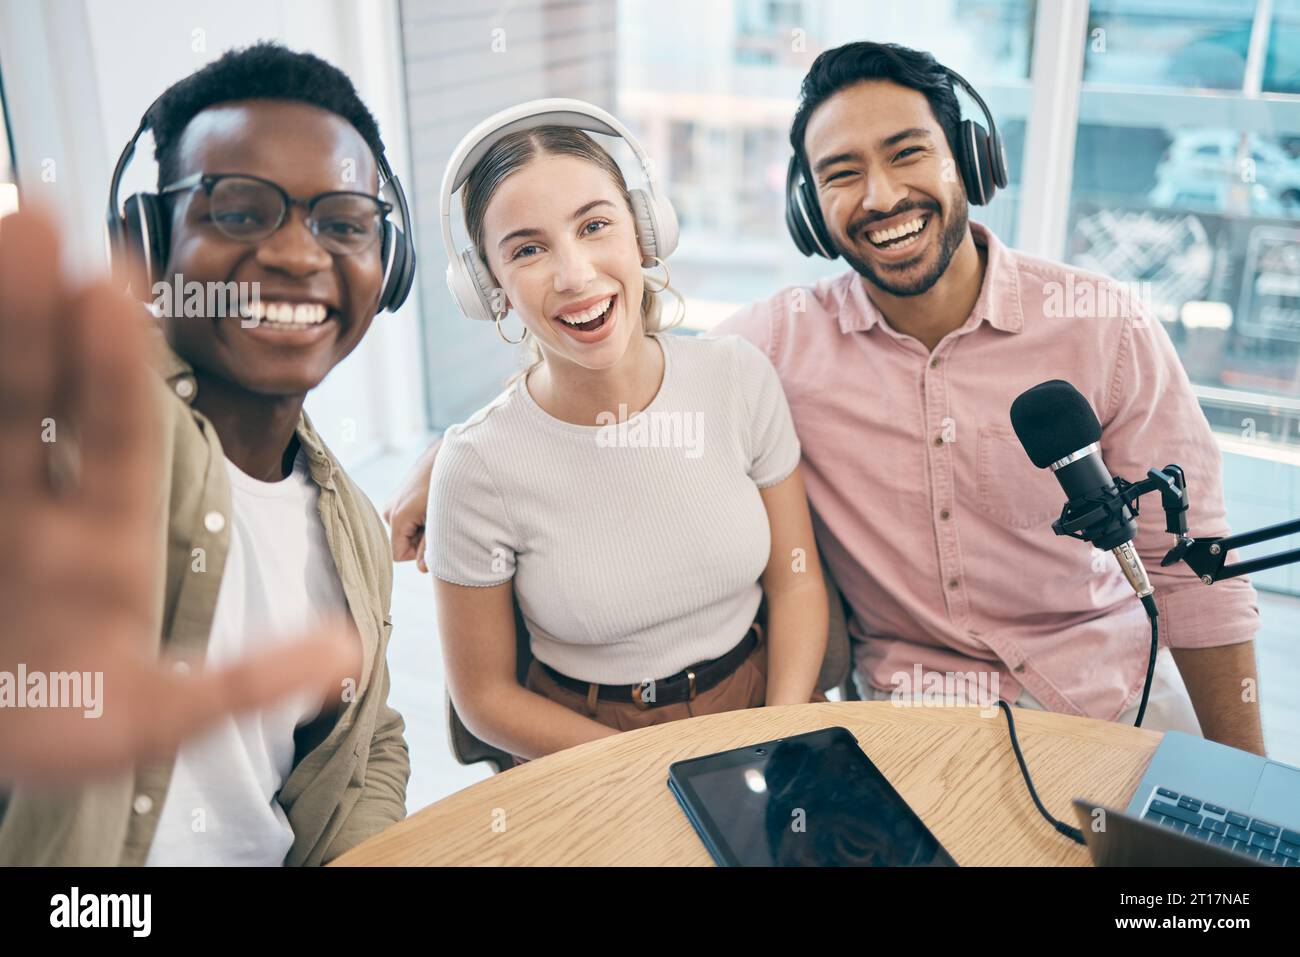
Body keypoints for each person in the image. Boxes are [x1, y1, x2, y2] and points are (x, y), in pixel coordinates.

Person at [387, 43, 1265, 755]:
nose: (881, 197)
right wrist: (456, 455)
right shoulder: (774, 345)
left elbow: (1197, 578)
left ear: (972, 155)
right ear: (812, 208)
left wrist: (1247, 794)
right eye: (842, 172)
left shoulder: (1103, 327)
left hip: (1112, 698)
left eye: (909, 152)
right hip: (908, 720)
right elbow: (612, 352)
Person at [0, 42, 411, 865]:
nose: (298, 256)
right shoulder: (68, 448)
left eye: (342, 223)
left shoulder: (356, 525)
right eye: (238, 211)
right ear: (149, 244)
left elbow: (371, 745)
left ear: (386, 265)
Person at [426, 104, 828, 762]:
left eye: (594, 225)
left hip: (763, 700)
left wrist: (777, 728)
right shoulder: (476, 466)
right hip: (590, 744)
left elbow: (797, 579)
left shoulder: (736, 377)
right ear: (487, 286)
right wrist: (645, 767)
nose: (575, 274)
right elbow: (485, 696)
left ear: (645, 231)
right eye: (528, 248)